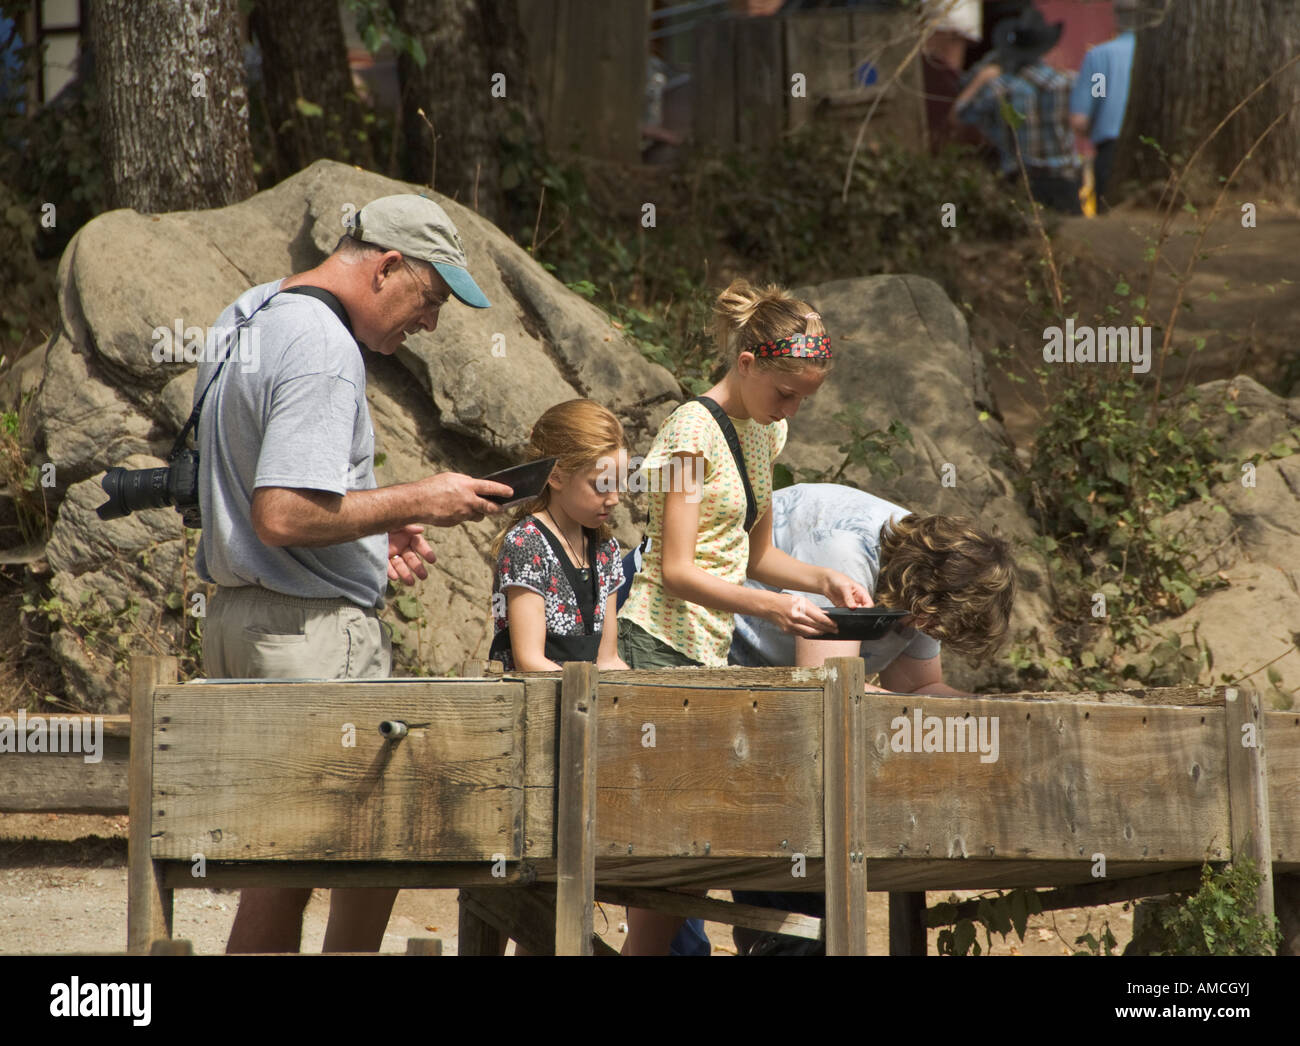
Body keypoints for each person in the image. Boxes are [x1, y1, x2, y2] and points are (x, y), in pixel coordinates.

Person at [196, 193, 514, 953]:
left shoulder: (249, 313)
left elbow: (250, 492)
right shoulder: (327, 349)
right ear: (388, 266)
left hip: (240, 624)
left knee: (278, 860)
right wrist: (424, 498)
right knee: (377, 845)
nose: (431, 323)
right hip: (308, 636)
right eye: (430, 299)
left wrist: (375, 529)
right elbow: (282, 512)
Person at [617, 278, 870, 954]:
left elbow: (752, 556)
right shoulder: (688, 432)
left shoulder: (765, 431)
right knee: (669, 842)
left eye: (803, 399)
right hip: (657, 642)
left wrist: (823, 581)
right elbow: (676, 568)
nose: (791, 408)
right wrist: (775, 609)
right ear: (748, 363)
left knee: (693, 834)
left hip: (709, 647)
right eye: (786, 392)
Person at [725, 481, 1017, 955]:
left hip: (772, 689)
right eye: (932, 621)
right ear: (927, 592)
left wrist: (992, 719)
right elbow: (829, 690)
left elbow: (919, 689)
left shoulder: (929, 579)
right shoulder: (844, 548)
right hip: (713, 658)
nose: (930, 632)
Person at [489, 399, 630, 673]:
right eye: (601, 485)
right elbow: (529, 661)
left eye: (618, 484)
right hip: (534, 704)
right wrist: (585, 695)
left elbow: (608, 659)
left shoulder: (605, 548)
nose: (614, 499)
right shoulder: (527, 544)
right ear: (556, 477)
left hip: (584, 702)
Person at [952, 7, 1082, 215]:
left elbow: (961, 113)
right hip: (1064, 181)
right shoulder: (1069, 83)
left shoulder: (999, 88)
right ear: (1045, 48)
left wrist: (980, 79)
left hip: (1021, 183)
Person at [1069, 0, 1137, 208]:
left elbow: (1081, 119)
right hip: (1159, 151)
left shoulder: (1100, 57)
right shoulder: (1165, 55)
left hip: (1111, 150)